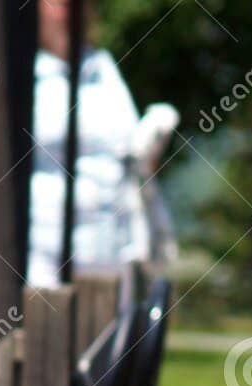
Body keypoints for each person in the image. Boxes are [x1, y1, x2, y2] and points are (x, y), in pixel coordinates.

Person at [28, 0, 177, 293]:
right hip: (43, 258)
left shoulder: (104, 70)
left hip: (111, 254)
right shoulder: (26, 74)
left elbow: (132, 160)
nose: (63, 11)